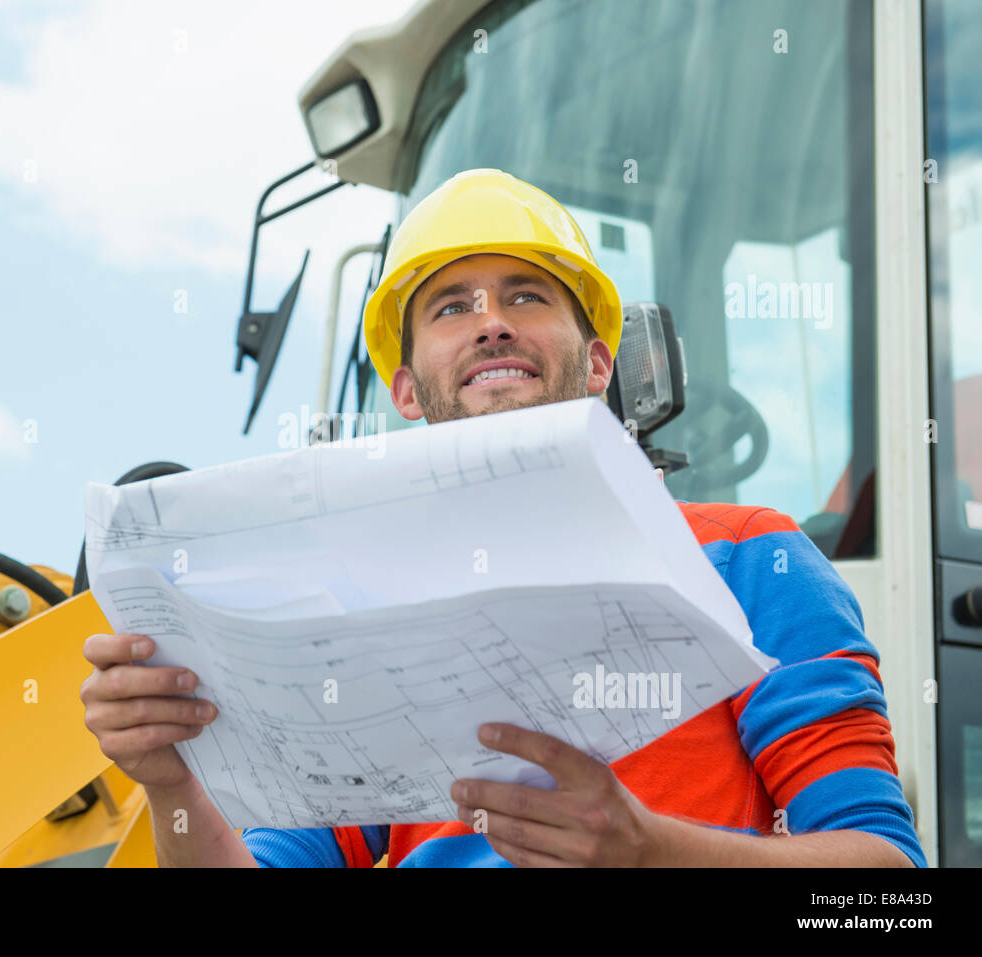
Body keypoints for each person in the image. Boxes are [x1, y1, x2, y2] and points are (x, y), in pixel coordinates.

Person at [80, 169, 925, 867]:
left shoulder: (749, 558)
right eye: (451, 306)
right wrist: (172, 785)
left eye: (525, 297)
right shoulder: (347, 614)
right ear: (406, 389)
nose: (490, 322)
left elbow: (883, 888)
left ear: (597, 363)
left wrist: (648, 851)